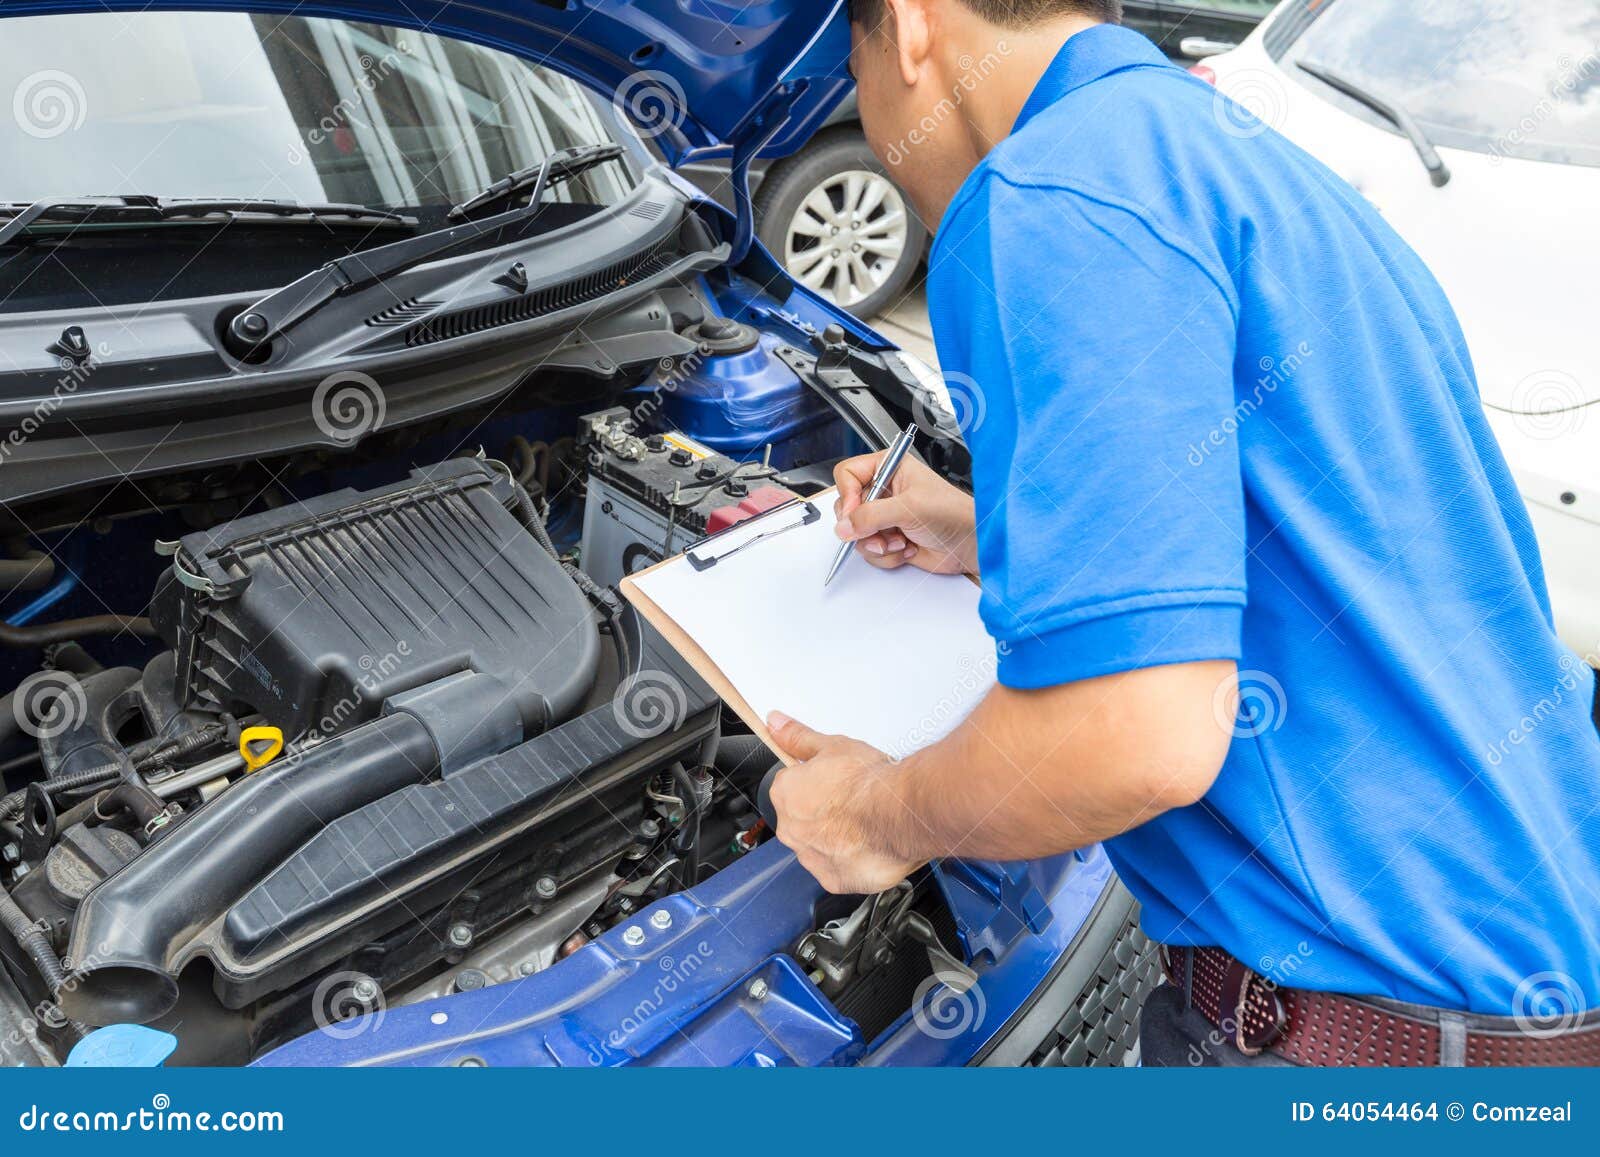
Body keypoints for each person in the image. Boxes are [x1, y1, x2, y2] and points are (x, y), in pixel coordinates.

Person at [765, 0, 1600, 1066]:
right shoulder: (1236, 162)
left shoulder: (1047, 191)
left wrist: (872, 815)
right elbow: (1329, 535)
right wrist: (982, 530)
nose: (868, 116)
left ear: (914, 26)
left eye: (851, 59)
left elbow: (1135, 730)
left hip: (1352, 1048)